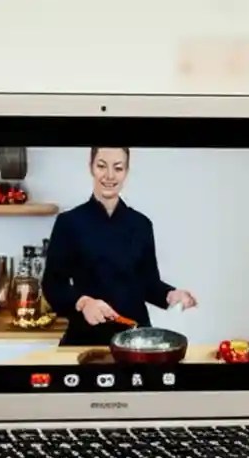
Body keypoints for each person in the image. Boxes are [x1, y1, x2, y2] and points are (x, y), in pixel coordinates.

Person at [41, 146, 197, 346]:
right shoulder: (69, 222)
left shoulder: (141, 224)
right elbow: (53, 285)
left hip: (136, 339)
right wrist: (84, 303)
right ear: (91, 168)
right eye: (101, 166)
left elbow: (148, 284)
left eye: (118, 168)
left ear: (127, 171)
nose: (109, 175)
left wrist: (171, 294)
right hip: (86, 339)